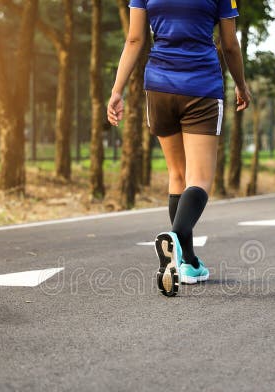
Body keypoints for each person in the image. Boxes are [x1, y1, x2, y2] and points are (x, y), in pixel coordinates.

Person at [108, 0, 251, 297]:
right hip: (201, 86)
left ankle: (188, 262)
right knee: (198, 180)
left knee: (178, 174)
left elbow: (135, 39)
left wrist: (117, 90)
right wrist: (241, 84)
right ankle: (175, 236)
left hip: (159, 85)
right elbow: (229, 45)